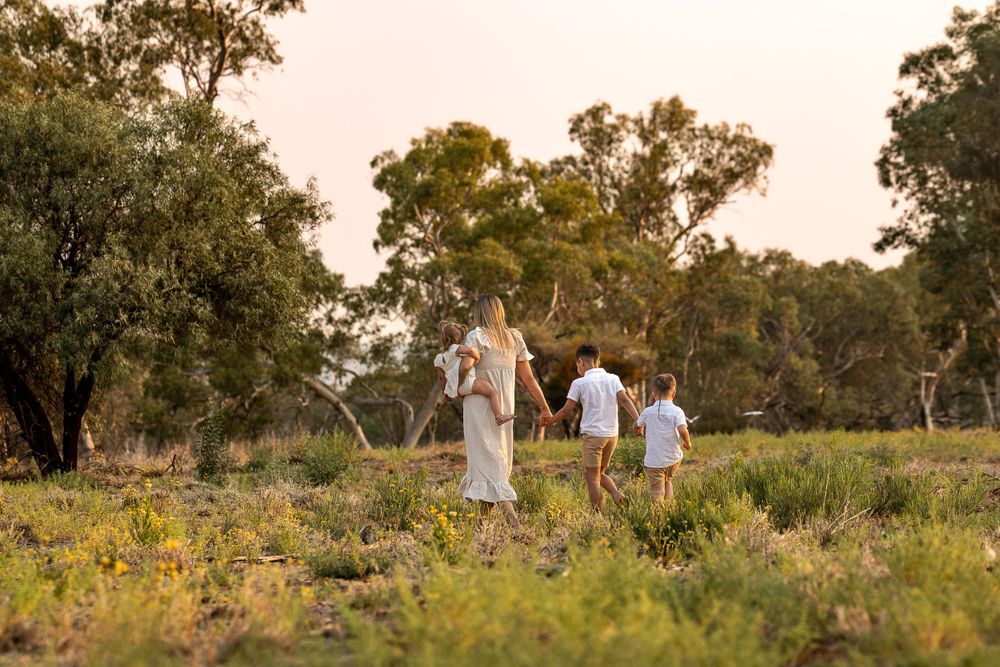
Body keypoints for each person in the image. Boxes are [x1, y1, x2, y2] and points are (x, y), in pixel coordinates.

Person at [457, 294, 551, 528]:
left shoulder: (476, 336)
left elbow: (465, 367)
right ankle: (482, 525)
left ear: (480, 312)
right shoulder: (514, 338)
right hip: (504, 408)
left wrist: (457, 385)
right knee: (494, 459)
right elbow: (529, 379)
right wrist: (544, 407)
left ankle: (513, 521)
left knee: (488, 461)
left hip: (479, 405)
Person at [543, 343, 640, 510]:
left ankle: (597, 514)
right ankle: (617, 495)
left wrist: (552, 420)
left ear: (580, 362)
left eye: (577, 365)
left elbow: (566, 410)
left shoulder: (579, 383)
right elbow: (625, 400)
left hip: (594, 436)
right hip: (612, 435)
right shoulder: (613, 379)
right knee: (599, 474)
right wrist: (638, 421)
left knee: (592, 478)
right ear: (598, 361)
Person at [433, 321, 516, 426]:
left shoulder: (438, 359)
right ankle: (499, 416)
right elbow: (472, 351)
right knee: (492, 393)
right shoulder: (454, 348)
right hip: (469, 382)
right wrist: (477, 357)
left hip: (457, 389)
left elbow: (441, 379)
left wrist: (446, 393)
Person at [634, 373, 691, 501]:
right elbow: (683, 430)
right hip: (673, 458)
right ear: (673, 393)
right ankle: (669, 507)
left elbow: (637, 424)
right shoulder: (677, 411)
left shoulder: (648, 411)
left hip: (655, 461)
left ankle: (658, 512)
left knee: (657, 491)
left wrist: (638, 429)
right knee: (667, 480)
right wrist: (688, 442)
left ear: (654, 393)